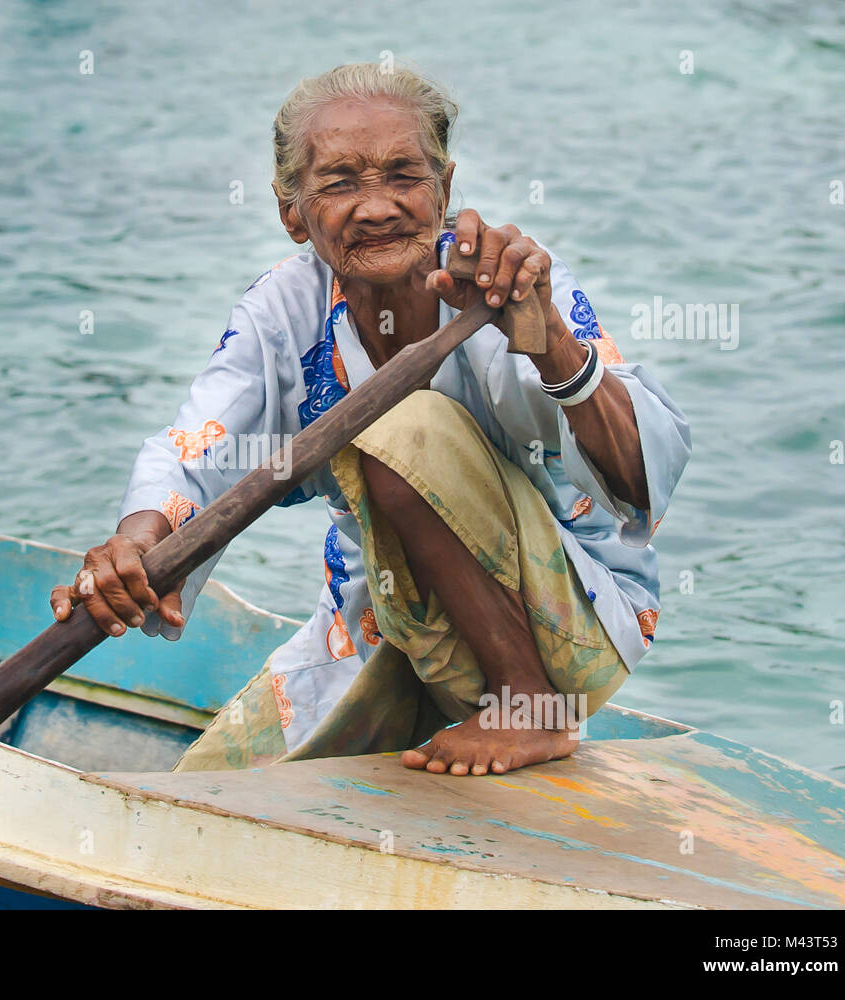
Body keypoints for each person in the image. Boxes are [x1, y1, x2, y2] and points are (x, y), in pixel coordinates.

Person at [50, 62, 690, 777]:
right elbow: (196, 447)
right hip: (394, 625)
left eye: (403, 176)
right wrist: (134, 547)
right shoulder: (281, 311)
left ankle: (524, 709)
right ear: (292, 212)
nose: (378, 206)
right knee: (205, 794)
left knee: (399, 429)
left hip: (568, 626)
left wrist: (552, 347)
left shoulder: (505, 279)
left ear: (444, 189)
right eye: (341, 182)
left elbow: (638, 483)